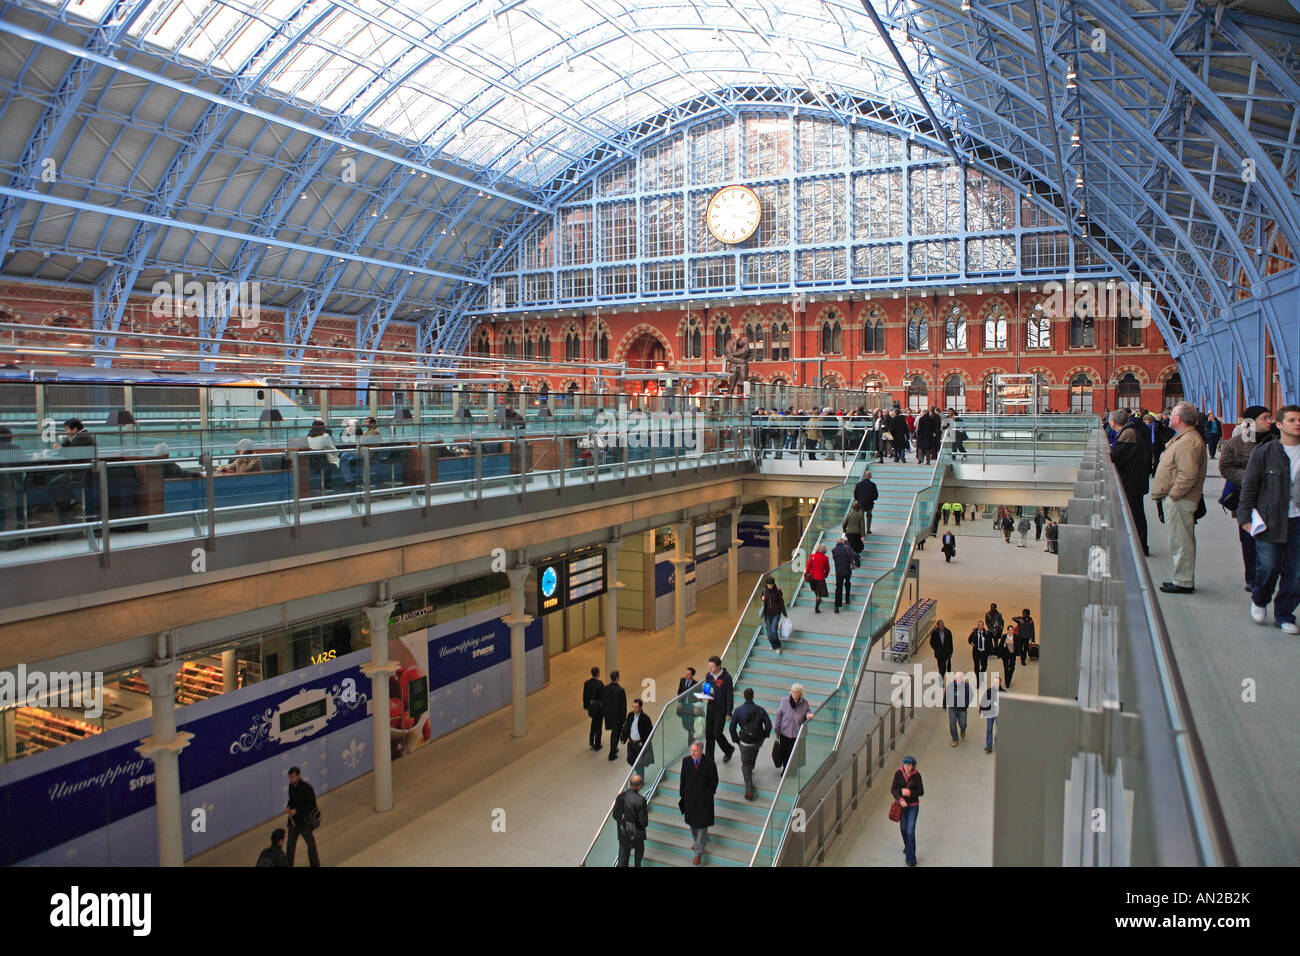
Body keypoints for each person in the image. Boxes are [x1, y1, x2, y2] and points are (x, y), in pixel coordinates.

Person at [1238, 404, 1300, 634]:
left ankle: (1285, 614)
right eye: (1292, 420)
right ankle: (1260, 598)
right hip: (1271, 518)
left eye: (1299, 420)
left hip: (1298, 520)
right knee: (1269, 565)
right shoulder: (1264, 452)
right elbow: (1249, 486)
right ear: (1280, 425)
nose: (1297, 423)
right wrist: (1244, 517)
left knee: (1296, 572)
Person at [1150, 401, 1208, 594]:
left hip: (1181, 500)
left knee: (1182, 540)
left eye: (1173, 414)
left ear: (1180, 419)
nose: (1169, 417)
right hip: (1178, 499)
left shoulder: (1189, 440)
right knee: (1177, 539)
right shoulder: (1184, 438)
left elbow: (1188, 474)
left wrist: (1174, 495)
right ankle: (1180, 577)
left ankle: (1183, 581)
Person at [1220, 406, 1276, 592]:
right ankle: (1252, 577)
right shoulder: (1238, 443)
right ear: (1251, 422)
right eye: (1265, 418)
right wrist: (1250, 476)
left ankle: (1266, 575)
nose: (1270, 421)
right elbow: (1226, 468)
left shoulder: (1276, 440)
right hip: (1246, 500)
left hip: (1273, 500)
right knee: (1249, 540)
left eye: (1270, 417)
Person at [1109, 408, 1154, 555]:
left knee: (1136, 514)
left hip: (1132, 482)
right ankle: (1141, 545)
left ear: (1113, 422)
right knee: (1137, 513)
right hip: (1135, 480)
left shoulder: (1127, 434)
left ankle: (1141, 547)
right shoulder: (1129, 431)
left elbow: (1115, 455)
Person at [678, 740, 718, 865]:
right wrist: (682, 794)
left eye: (695, 751)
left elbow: (714, 781)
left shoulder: (709, 763)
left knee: (702, 825)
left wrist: (707, 795)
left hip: (703, 800)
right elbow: (683, 778)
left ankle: (698, 852)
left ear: (701, 751)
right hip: (690, 798)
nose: (693, 753)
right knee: (692, 824)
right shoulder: (686, 761)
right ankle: (697, 842)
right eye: (692, 750)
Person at [728, 688, 773, 800]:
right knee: (754, 752)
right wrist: (765, 736)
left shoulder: (738, 710)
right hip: (758, 740)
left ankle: (748, 790)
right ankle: (751, 765)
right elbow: (768, 724)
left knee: (746, 765)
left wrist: (736, 740)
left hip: (745, 742)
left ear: (744, 696)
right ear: (753, 696)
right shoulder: (760, 710)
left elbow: (731, 727)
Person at [891, 756, 924, 866]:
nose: (907, 767)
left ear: (913, 766)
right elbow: (893, 789)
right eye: (905, 764)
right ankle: (908, 846)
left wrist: (910, 793)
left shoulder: (917, 776)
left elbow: (921, 791)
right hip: (902, 806)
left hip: (913, 806)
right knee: (904, 828)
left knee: (910, 830)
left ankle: (911, 858)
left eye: (909, 765)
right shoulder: (898, 774)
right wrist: (900, 798)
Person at [284, 766, 320, 867]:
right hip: (293, 821)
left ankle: (315, 864)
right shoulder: (291, 787)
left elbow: (312, 805)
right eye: (290, 777)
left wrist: (298, 810)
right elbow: (291, 799)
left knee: (311, 844)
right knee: (290, 845)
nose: (291, 779)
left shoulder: (307, 788)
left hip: (304, 821)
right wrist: (289, 806)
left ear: (298, 776)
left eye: (293, 777)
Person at [773, 683, 814, 769]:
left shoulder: (805, 703)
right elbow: (779, 715)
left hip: (796, 733)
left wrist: (808, 715)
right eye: (793, 692)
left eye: (797, 692)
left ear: (801, 694)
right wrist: (776, 727)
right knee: (784, 752)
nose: (794, 694)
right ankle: (785, 768)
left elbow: (807, 712)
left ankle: (790, 769)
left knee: (793, 753)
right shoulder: (784, 701)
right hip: (784, 731)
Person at [612, 774, 649, 867]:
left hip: (623, 833)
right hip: (636, 834)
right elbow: (643, 822)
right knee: (639, 851)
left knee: (623, 856)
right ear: (639, 786)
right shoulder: (641, 800)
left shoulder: (620, 797)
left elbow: (615, 815)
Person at [703, 655, 735, 764]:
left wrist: (729, 712)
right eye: (709, 666)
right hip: (710, 708)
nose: (709, 668)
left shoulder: (726, 678)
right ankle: (709, 758)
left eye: (712, 666)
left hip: (721, 710)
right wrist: (705, 694)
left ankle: (728, 749)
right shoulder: (709, 676)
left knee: (717, 732)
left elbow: (729, 696)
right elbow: (707, 689)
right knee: (708, 734)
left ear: (718, 667)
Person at [306, 419, 340, 493]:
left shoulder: (308, 437)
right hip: (324, 460)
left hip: (313, 461)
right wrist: (338, 453)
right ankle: (327, 484)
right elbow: (331, 447)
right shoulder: (325, 436)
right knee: (331, 464)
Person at [622, 698, 654, 773]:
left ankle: (640, 778)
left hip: (639, 744)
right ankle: (638, 771)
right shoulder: (630, 715)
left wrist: (643, 742)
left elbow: (650, 732)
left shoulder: (645, 718)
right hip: (631, 743)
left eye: (636, 707)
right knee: (630, 759)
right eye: (633, 707)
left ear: (640, 708)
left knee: (640, 762)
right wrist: (627, 738)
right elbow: (626, 727)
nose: (634, 709)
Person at [601, 671, 627, 760]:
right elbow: (623, 706)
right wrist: (624, 719)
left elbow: (603, 702)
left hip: (609, 715)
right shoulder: (620, 690)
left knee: (614, 733)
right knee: (615, 735)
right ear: (617, 678)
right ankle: (612, 754)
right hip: (617, 717)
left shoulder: (605, 689)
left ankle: (614, 749)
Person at [831, 535, 860, 613]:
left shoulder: (833, 550)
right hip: (847, 570)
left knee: (838, 587)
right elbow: (855, 555)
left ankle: (837, 606)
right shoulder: (847, 548)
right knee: (847, 583)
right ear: (843, 542)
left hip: (838, 571)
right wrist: (857, 563)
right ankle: (847, 599)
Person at [945, 671, 973, 745]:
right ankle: (955, 739)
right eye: (957, 678)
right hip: (952, 708)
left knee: (962, 723)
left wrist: (966, 704)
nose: (958, 680)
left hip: (962, 709)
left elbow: (970, 696)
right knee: (952, 723)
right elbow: (946, 695)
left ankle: (963, 730)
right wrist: (945, 704)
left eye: (960, 678)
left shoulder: (966, 686)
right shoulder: (950, 686)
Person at [761, 577, 787, 653]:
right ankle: (773, 645)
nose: (770, 586)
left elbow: (781, 603)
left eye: (771, 585)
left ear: (773, 584)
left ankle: (778, 646)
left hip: (776, 613)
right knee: (769, 633)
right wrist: (762, 598)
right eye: (769, 585)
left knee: (773, 630)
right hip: (767, 614)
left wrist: (784, 613)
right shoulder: (764, 590)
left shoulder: (777, 591)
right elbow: (762, 598)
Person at [582, 666, 604, 751]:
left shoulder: (587, 683)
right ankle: (597, 743)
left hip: (591, 708)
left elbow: (584, 695)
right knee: (598, 725)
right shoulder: (600, 684)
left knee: (593, 722)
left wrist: (586, 706)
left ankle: (591, 740)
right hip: (598, 708)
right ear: (598, 673)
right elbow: (602, 697)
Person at [676, 666, 700, 742]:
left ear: (692, 675)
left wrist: (697, 707)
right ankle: (691, 732)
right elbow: (679, 691)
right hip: (683, 706)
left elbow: (698, 697)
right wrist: (680, 702)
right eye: (686, 674)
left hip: (691, 706)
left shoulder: (696, 684)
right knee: (685, 723)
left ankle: (691, 737)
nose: (686, 675)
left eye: (688, 674)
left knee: (691, 722)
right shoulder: (682, 680)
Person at [980, 675, 1002, 754]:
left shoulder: (1003, 693)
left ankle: (997, 739)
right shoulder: (989, 691)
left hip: (999, 713)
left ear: (1000, 684)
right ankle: (989, 746)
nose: (996, 684)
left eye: (998, 683)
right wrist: (982, 711)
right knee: (989, 729)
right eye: (995, 682)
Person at [724, 328, 750, 395]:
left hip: (743, 365)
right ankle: (728, 402)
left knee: (742, 385)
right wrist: (740, 359)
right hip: (735, 365)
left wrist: (734, 355)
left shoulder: (744, 340)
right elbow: (729, 357)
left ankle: (740, 403)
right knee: (731, 385)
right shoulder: (729, 344)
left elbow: (746, 352)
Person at [806, 542, 830, 613]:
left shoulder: (812, 556)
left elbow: (808, 566)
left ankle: (818, 597)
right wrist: (825, 575)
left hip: (812, 577)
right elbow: (827, 569)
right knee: (819, 594)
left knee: (815, 589)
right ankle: (816, 608)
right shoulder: (825, 558)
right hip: (820, 577)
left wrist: (806, 574)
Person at [852, 470, 879, 534]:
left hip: (860, 503)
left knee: (861, 517)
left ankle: (862, 530)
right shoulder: (873, 485)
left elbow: (855, 494)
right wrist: (871, 499)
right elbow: (876, 495)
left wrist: (858, 500)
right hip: (869, 503)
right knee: (869, 516)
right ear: (870, 477)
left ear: (864, 476)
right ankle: (868, 529)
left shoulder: (859, 484)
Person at [969, 621, 992, 690]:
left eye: (981, 625)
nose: (980, 627)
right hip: (976, 652)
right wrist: (971, 642)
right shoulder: (974, 633)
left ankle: (981, 675)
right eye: (979, 625)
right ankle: (978, 681)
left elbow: (990, 643)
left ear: (983, 626)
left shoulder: (987, 633)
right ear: (977, 626)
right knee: (976, 667)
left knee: (984, 666)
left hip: (984, 653)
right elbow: (969, 639)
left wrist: (990, 652)